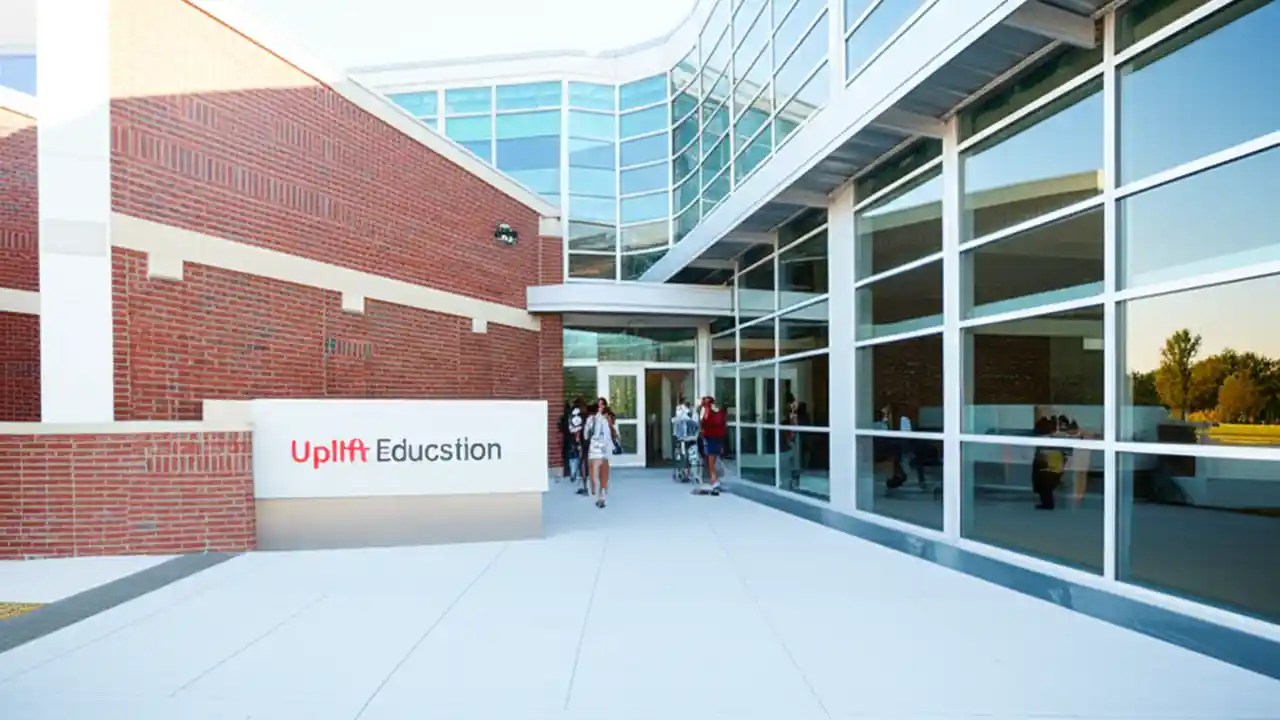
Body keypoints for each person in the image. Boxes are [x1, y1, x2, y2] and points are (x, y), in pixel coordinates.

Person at [584, 396, 619, 508]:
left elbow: (614, 433)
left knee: (603, 473)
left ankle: (602, 496)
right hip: (596, 449)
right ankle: (599, 494)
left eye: (602, 405)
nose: (601, 407)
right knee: (596, 474)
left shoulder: (607, 418)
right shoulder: (592, 419)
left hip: (603, 449)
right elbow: (586, 435)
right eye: (599, 405)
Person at [698, 396, 728, 493]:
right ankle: (715, 479)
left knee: (710, 462)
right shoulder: (720, 412)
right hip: (719, 437)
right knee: (715, 459)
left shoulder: (706, 410)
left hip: (710, 437)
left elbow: (703, 422)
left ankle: (714, 480)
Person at [567, 400, 585, 488]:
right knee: (576, 456)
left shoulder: (570, 417)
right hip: (575, 440)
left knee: (574, 457)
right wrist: (579, 428)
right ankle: (575, 473)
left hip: (573, 440)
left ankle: (574, 473)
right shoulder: (578, 417)